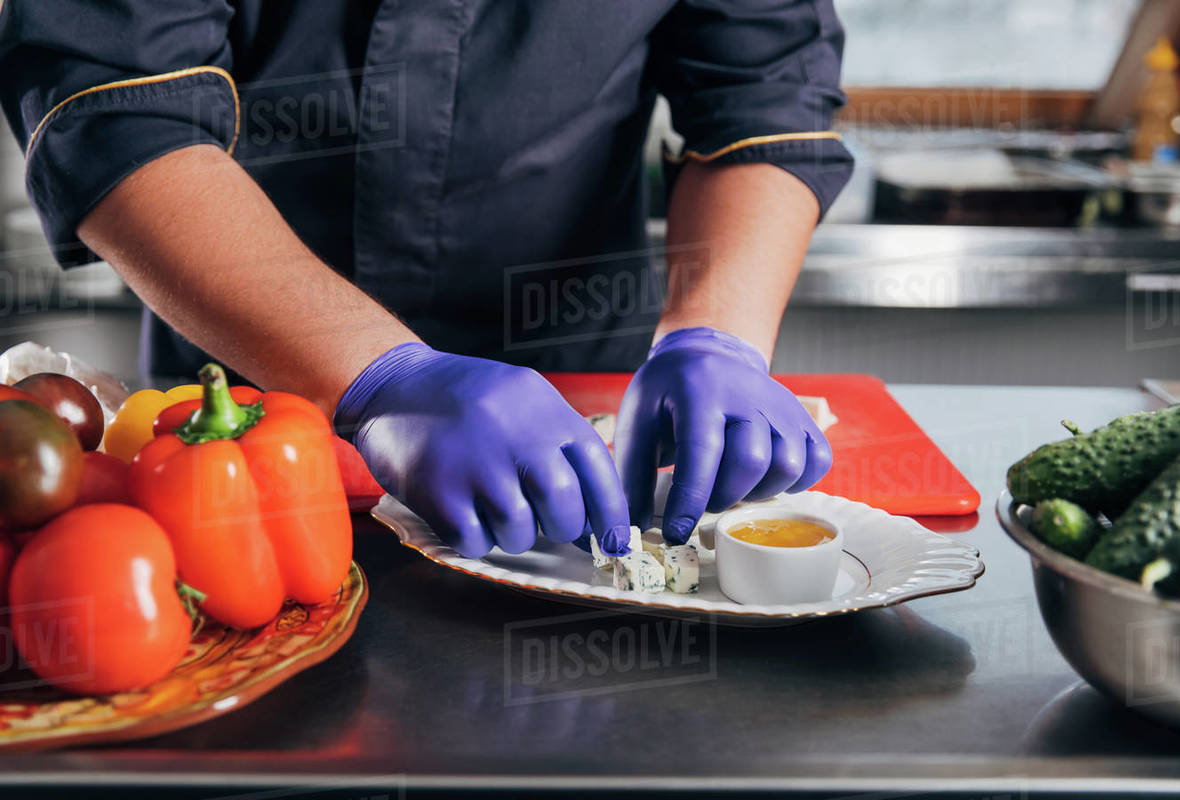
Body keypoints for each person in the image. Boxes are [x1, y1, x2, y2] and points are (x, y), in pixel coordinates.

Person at [2, 1, 853, 558]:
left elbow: (764, 89)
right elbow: (114, 102)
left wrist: (719, 335)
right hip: (248, 419)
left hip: (585, 388)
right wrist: (383, 377)